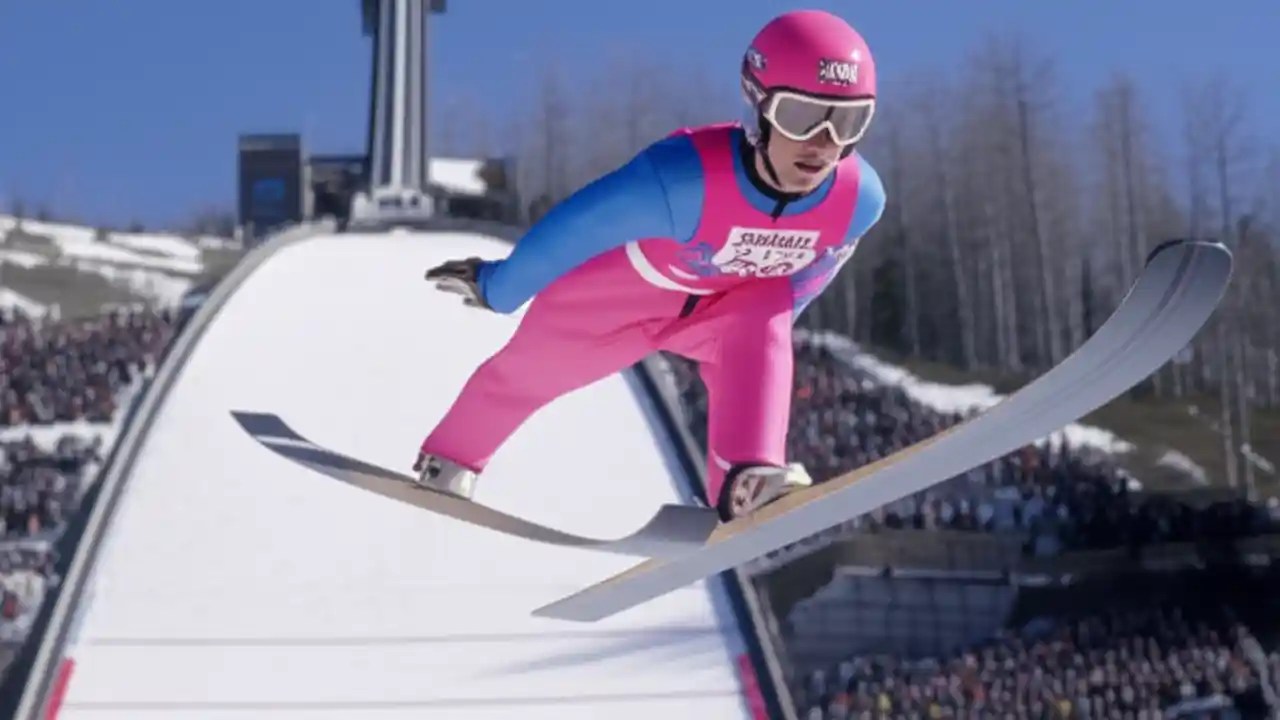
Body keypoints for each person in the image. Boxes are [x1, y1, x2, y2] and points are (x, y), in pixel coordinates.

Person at [415, 9, 886, 522]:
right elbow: (576, 228)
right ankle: (450, 458)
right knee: (527, 373)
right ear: (759, 105)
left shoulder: (856, 200)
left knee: (767, 306)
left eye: (847, 121)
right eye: (802, 116)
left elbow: (808, 280)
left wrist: (753, 350)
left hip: (722, 312)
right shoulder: (687, 179)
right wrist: (498, 287)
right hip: (617, 299)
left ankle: (745, 476)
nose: (824, 143)